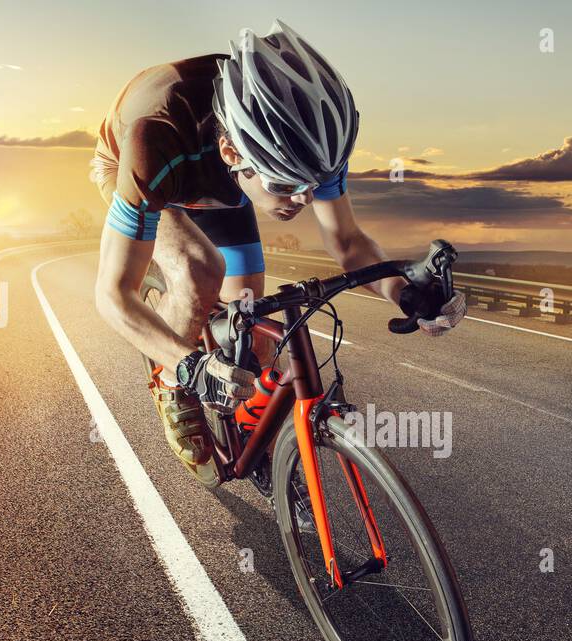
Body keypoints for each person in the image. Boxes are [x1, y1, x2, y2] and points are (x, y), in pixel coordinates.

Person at [91, 20, 466, 486]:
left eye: (314, 185)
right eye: (286, 185)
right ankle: (171, 387)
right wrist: (187, 364)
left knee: (252, 315)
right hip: (151, 166)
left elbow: (347, 242)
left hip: (230, 183)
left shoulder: (309, 144)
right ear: (231, 151)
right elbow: (113, 294)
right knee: (198, 269)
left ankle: (256, 438)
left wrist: (404, 293)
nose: (303, 200)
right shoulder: (156, 140)